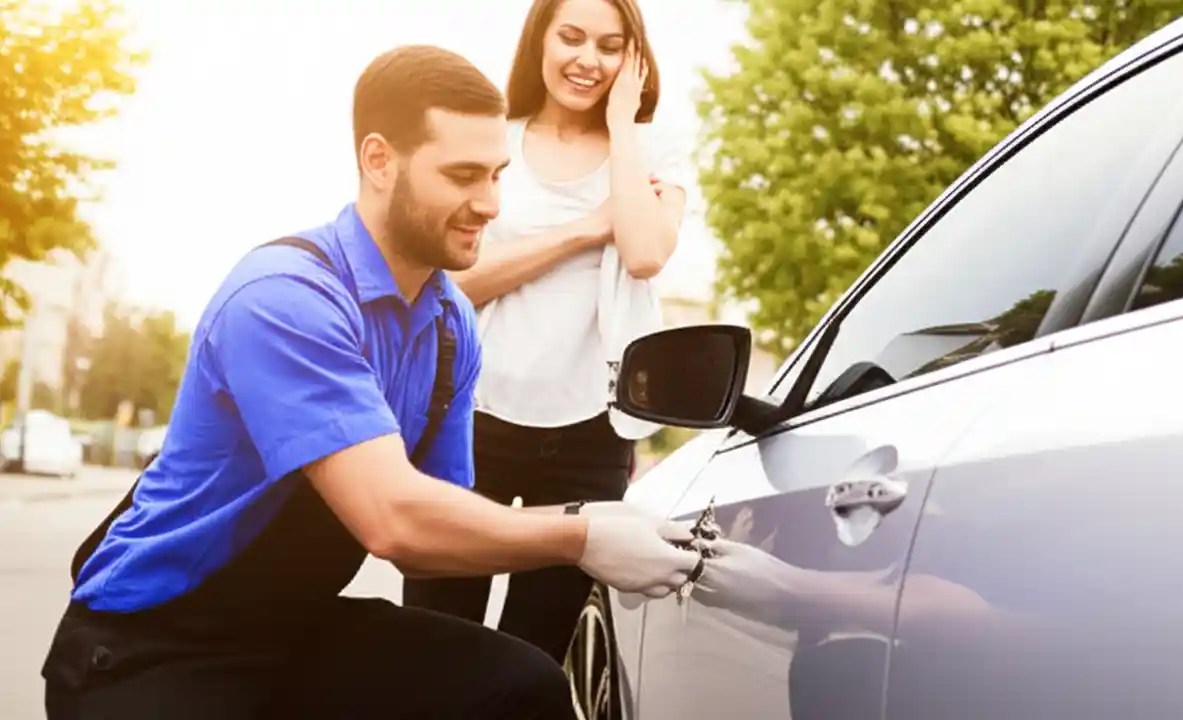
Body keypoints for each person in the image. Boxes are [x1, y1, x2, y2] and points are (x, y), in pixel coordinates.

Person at [39, 44, 697, 720]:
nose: (491, 204)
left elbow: (442, 524)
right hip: (147, 647)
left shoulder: (448, 327)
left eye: (498, 174)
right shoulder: (285, 299)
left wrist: (604, 516)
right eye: (464, 175)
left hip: (290, 631)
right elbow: (394, 522)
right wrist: (584, 537)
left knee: (518, 684)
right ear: (379, 161)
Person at [404, 0, 694, 664]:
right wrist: (585, 231)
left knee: (533, 657)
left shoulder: (651, 150)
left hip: (589, 435)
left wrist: (625, 122)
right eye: (571, 37)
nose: (588, 59)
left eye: (610, 45)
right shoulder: (492, 142)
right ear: (540, 40)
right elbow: (447, 285)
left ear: (633, 58)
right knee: (432, 642)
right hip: (467, 419)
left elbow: (646, 252)